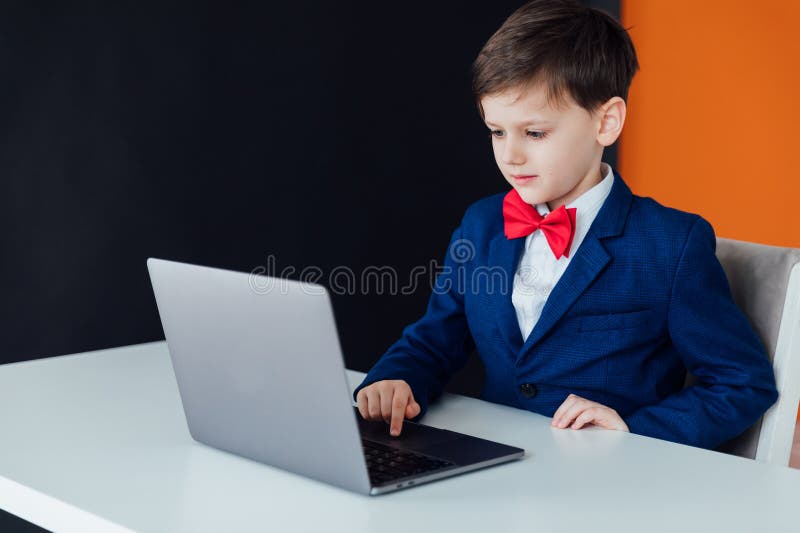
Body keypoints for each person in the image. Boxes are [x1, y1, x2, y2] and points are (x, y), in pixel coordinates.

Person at [353, 0, 778, 450]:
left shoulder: (670, 244)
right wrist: (394, 380)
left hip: (606, 487)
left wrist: (632, 430)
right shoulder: (482, 225)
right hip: (491, 466)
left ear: (606, 122)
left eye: (534, 133)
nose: (510, 155)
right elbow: (433, 342)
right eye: (497, 131)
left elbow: (742, 383)